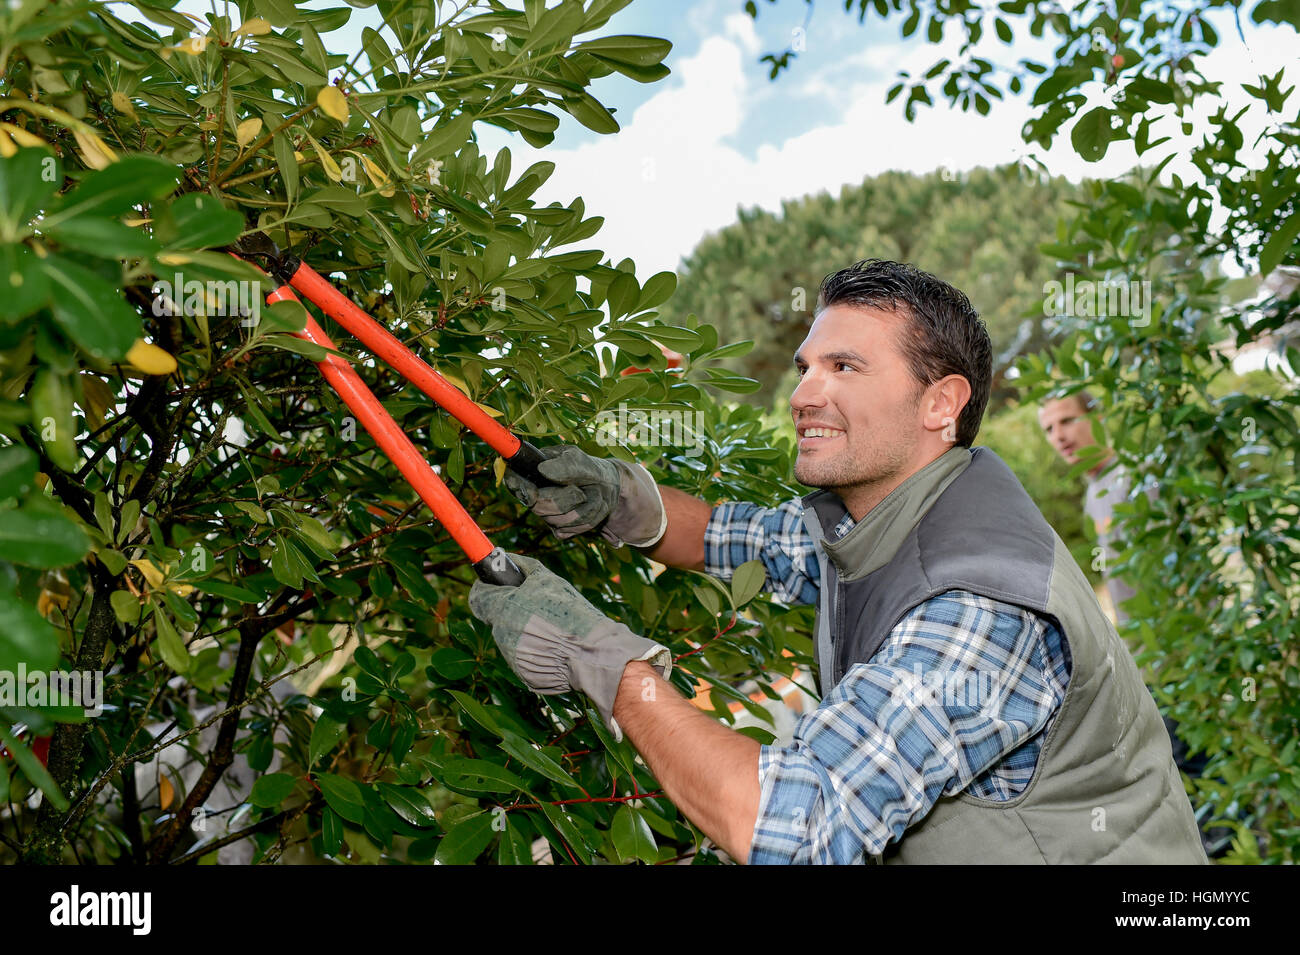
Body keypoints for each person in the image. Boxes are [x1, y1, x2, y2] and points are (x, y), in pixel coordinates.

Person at [469, 259, 1208, 864]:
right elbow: (735, 537)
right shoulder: (888, 515)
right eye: (805, 366)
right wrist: (619, 500)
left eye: (844, 366)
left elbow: (799, 829)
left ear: (940, 403)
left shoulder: (980, 605)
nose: (802, 393)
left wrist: (603, 661)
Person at [1037, 391, 1221, 852]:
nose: (1059, 436)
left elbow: (1192, 566)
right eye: (1049, 428)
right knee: (1177, 768)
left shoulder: (1139, 480)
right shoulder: (1095, 490)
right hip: (1147, 661)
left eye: (1067, 421)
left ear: (1097, 419)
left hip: (1184, 659)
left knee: (1201, 768)